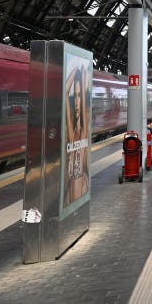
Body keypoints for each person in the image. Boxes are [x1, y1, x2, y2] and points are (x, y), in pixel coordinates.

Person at [64, 65, 90, 206]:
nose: (76, 102)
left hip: (80, 189)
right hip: (70, 193)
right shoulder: (72, 132)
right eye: (75, 96)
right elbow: (64, 92)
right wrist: (75, 70)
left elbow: (84, 106)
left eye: (80, 96)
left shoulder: (83, 132)